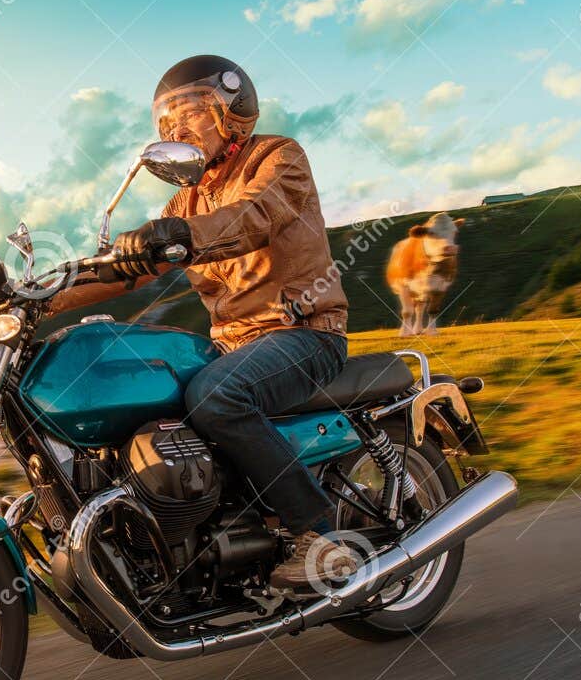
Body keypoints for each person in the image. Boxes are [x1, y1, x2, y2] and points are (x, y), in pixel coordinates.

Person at [48, 55, 354, 588]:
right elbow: (128, 275)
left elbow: (254, 217)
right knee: (147, 401)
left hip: (303, 334)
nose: (177, 131)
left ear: (232, 111)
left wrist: (179, 234)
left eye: (190, 114)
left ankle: (321, 534)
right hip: (233, 346)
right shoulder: (185, 198)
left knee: (216, 398)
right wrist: (42, 297)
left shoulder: (278, 157)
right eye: (167, 123)